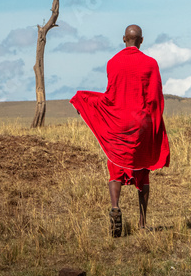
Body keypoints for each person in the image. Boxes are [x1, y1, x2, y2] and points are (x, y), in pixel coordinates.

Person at [70, 24, 170, 237]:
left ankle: (115, 207)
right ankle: (142, 223)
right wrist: (153, 123)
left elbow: (110, 96)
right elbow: (155, 97)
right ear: (141, 40)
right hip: (141, 123)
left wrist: (86, 102)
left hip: (118, 123)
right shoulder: (151, 64)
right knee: (142, 170)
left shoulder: (112, 62)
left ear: (123, 38)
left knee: (116, 167)